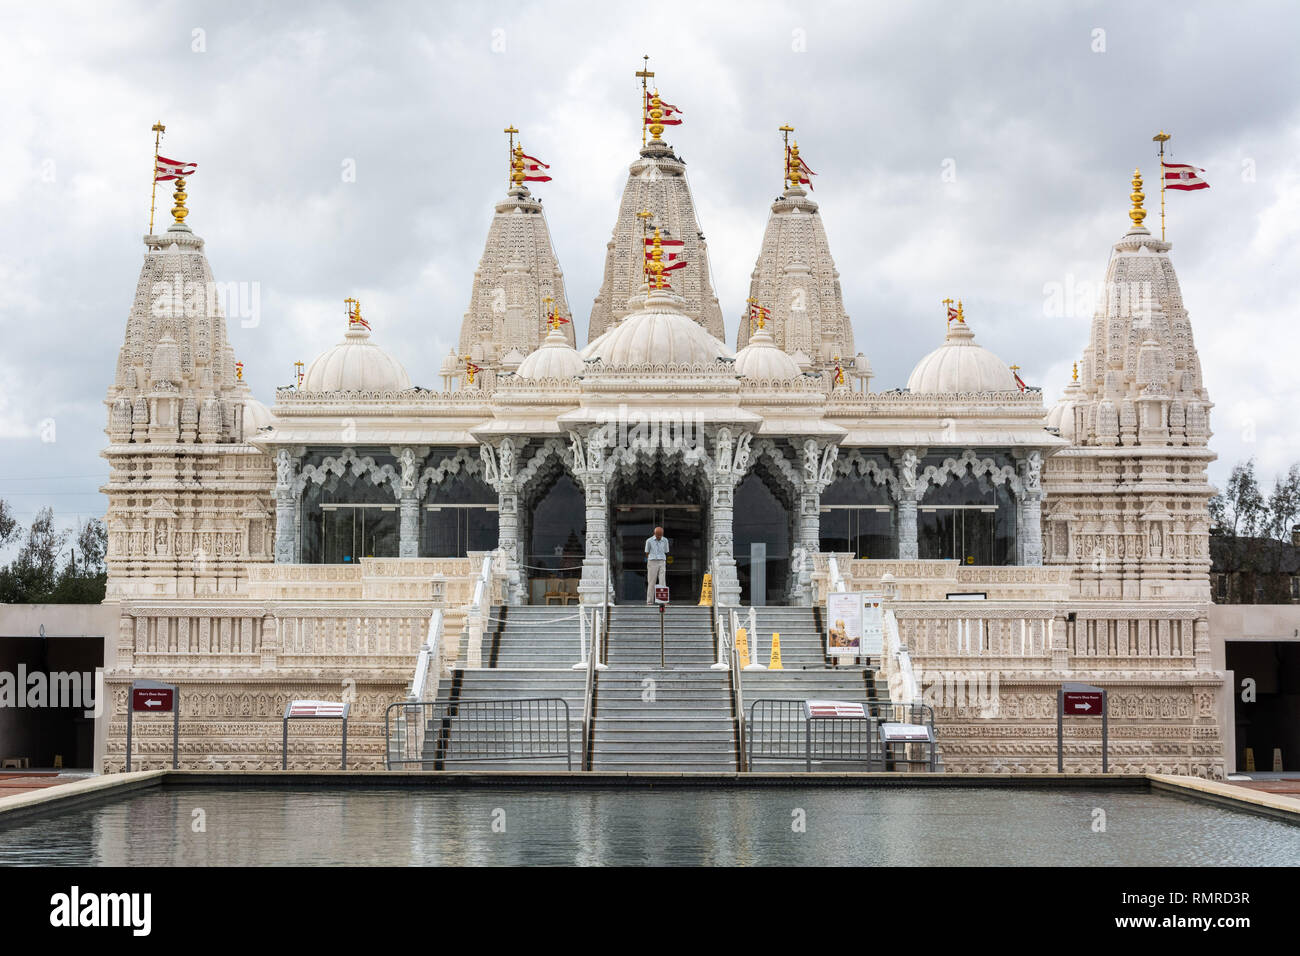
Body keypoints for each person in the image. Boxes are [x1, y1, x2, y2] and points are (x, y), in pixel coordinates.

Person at [644, 526, 669, 605]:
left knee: (662, 580)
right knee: (651, 581)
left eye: (661, 535)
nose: (659, 537)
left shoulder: (665, 540)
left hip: (662, 561)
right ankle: (650, 601)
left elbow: (666, 551)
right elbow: (647, 552)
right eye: (658, 535)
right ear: (654, 534)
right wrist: (652, 559)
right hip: (652, 561)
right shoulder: (649, 541)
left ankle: (663, 601)